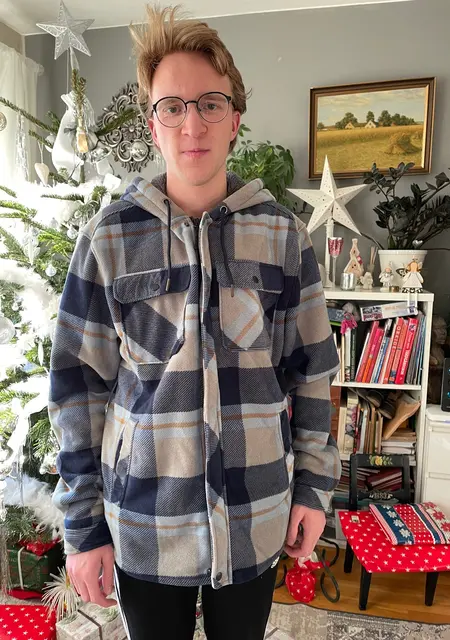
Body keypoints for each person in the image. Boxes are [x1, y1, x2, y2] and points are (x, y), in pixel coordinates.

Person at [48, 6, 340, 639]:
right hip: (147, 522)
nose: (192, 124)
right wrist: (83, 526)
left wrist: (314, 489)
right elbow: (77, 389)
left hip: (255, 512)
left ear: (235, 118)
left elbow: (314, 372)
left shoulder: (282, 235)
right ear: (153, 125)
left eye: (210, 103)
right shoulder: (107, 240)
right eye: (172, 107)